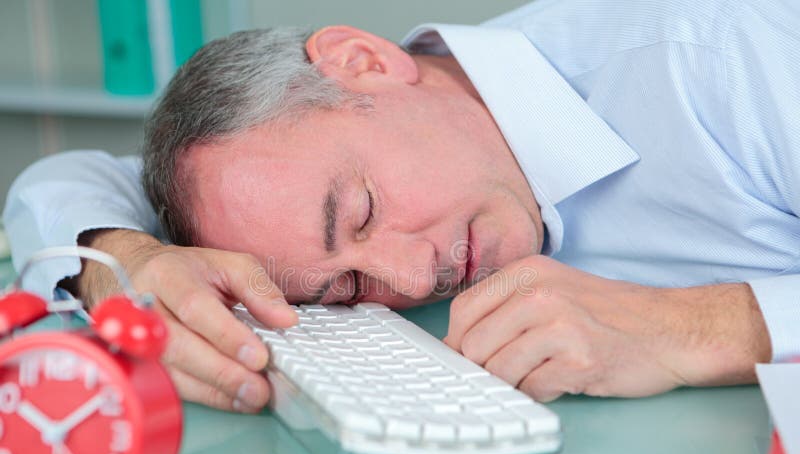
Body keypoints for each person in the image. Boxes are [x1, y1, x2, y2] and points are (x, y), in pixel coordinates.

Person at [4, 0, 799, 414]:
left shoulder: (726, 53)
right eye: (345, 290)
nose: (409, 278)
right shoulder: (295, 173)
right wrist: (124, 262)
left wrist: (706, 328)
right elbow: (67, 175)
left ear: (366, 63)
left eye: (360, 212)